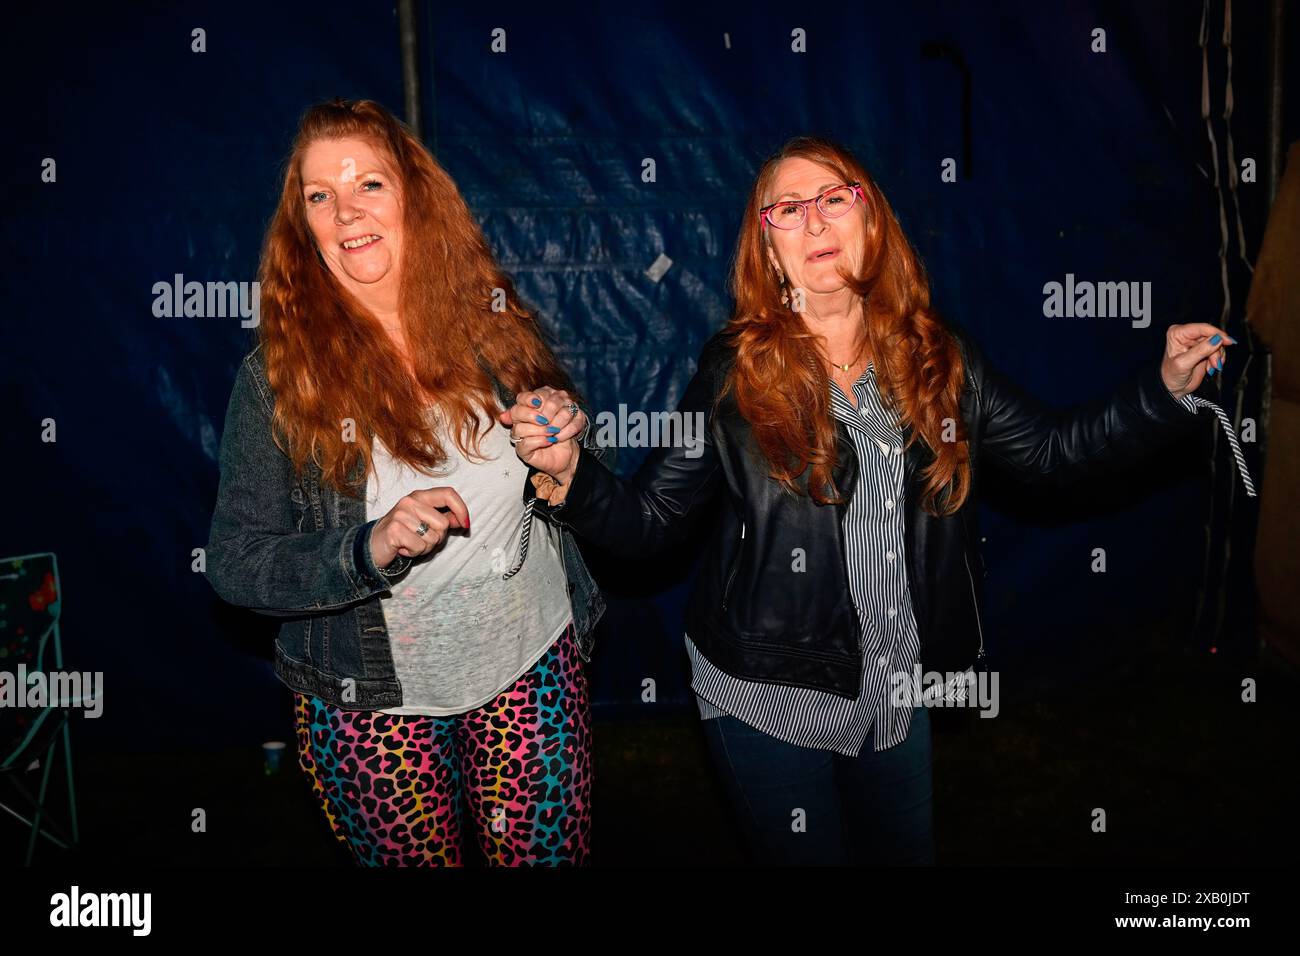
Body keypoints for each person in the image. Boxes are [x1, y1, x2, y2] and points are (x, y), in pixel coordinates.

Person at [502, 135, 1229, 865]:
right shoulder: (737, 371)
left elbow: (1051, 454)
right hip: (767, 694)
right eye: (786, 209)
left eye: (833, 198)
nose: (813, 221)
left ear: (870, 220)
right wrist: (574, 473)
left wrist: (1160, 390)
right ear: (769, 252)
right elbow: (651, 521)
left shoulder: (939, 357)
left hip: (895, 689)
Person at [205, 98, 608, 866]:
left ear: (415, 197)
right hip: (370, 702)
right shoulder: (276, 382)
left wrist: (561, 432)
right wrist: (369, 546)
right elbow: (234, 563)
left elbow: (566, 481)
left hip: (531, 667)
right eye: (319, 195)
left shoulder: (492, 324)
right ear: (303, 225)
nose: (345, 211)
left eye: (370, 185)